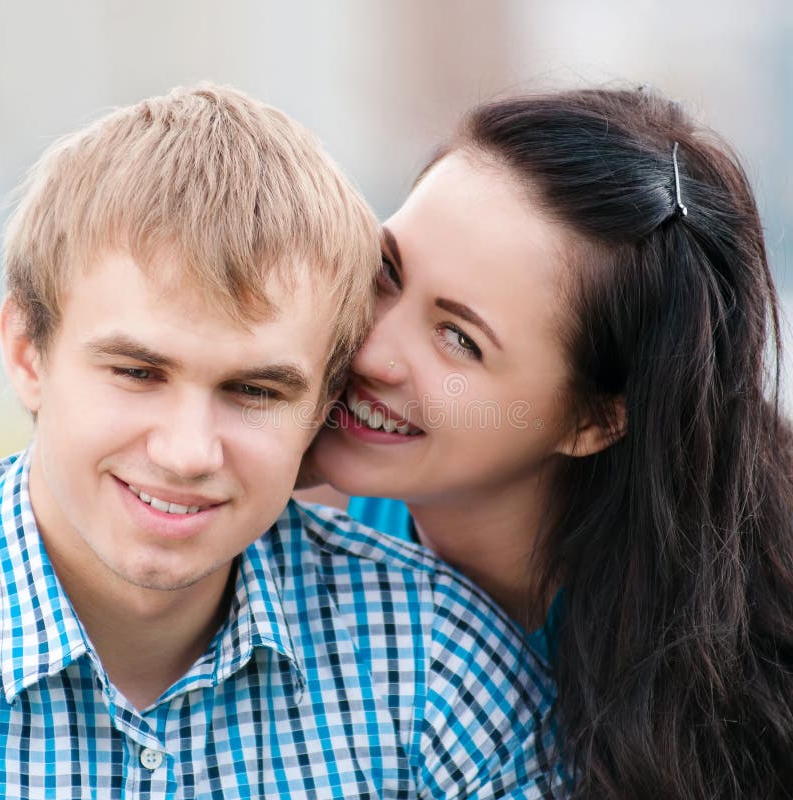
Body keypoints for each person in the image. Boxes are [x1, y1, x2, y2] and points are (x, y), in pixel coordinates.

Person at [0, 84, 563, 799]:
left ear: (327, 402)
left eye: (255, 392)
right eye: (138, 372)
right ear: (26, 353)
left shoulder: (443, 671)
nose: (188, 452)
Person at [307, 87, 793, 798]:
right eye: (387, 272)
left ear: (593, 419)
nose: (372, 350)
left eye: (458, 339)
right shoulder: (266, 501)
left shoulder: (724, 679)